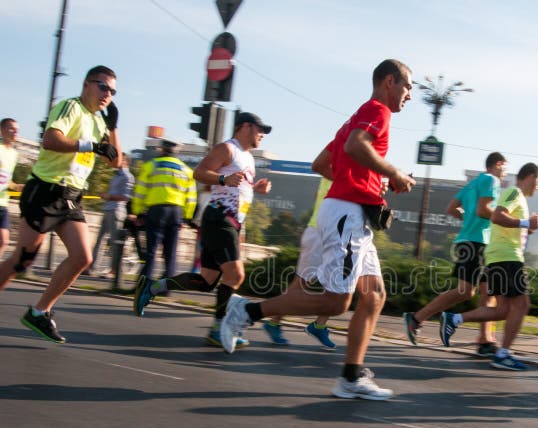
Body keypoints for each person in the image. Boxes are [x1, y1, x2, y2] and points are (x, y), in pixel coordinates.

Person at [219, 59, 415, 400]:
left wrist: (367, 184)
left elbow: (321, 165)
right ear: (388, 81)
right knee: (338, 302)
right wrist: (393, 174)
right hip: (347, 217)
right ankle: (246, 310)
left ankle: (350, 378)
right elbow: (356, 147)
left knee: (374, 297)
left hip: (348, 213)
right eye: (407, 86)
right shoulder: (376, 110)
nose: (409, 95)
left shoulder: (354, 119)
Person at [0, 66, 121, 342]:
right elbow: (50, 139)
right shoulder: (71, 107)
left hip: (71, 197)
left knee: (83, 257)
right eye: (103, 87)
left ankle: (40, 312)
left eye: (112, 91)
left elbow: (115, 161)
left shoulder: (99, 122)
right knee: (22, 260)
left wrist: (113, 128)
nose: (107, 94)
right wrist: (90, 146)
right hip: (45, 190)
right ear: (87, 84)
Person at [133, 112, 272, 349]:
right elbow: (200, 173)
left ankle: (152, 287)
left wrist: (254, 187)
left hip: (231, 221)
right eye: (259, 129)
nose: (262, 135)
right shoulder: (227, 148)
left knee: (206, 281)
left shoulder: (247, 157)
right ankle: (218, 329)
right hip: (220, 218)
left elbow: (236, 184)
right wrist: (222, 179)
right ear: (244, 127)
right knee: (236, 276)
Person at [438, 163, 538, 370]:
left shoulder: (519, 198)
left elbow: (507, 222)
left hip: (499, 257)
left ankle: (454, 319)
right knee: (522, 305)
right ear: (530, 176)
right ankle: (503, 354)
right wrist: (525, 223)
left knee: (504, 309)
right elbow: (497, 216)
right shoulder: (514, 192)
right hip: (507, 257)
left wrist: (527, 227)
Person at [403, 152, 505, 355]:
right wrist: (505, 220)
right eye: (504, 167)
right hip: (476, 243)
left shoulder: (471, 184)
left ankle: (485, 340)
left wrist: (467, 222)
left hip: (475, 241)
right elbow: (483, 209)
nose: (504, 172)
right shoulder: (491, 179)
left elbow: (451, 209)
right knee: (465, 291)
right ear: (498, 164)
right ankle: (415, 318)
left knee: (488, 292)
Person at [263, 147, 337, 350]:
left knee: (338, 283)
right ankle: (272, 321)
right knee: (301, 284)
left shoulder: (340, 167)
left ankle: (319, 325)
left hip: (333, 234)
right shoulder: (338, 168)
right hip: (318, 233)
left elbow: (317, 196)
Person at [131, 138, 196, 281]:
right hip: (176, 212)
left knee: (152, 251)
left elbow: (140, 191)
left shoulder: (151, 166)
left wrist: (138, 212)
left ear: (162, 149)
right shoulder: (186, 170)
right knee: (170, 252)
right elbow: (191, 197)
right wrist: (187, 217)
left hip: (156, 210)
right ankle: (166, 287)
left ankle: (144, 283)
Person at [88, 153, 134, 277]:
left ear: (125, 161)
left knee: (115, 242)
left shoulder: (127, 176)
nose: (114, 160)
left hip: (116, 211)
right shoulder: (117, 175)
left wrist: (109, 196)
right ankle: (92, 268)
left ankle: (114, 271)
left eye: (118, 158)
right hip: (108, 209)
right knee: (100, 240)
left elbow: (126, 197)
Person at [0, 118, 24, 258]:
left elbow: (6, 180)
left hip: (3, 203)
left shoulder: (14, 154)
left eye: (17, 130)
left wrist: (16, 186)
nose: (15, 132)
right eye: (11, 129)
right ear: (2, 131)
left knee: (4, 241)